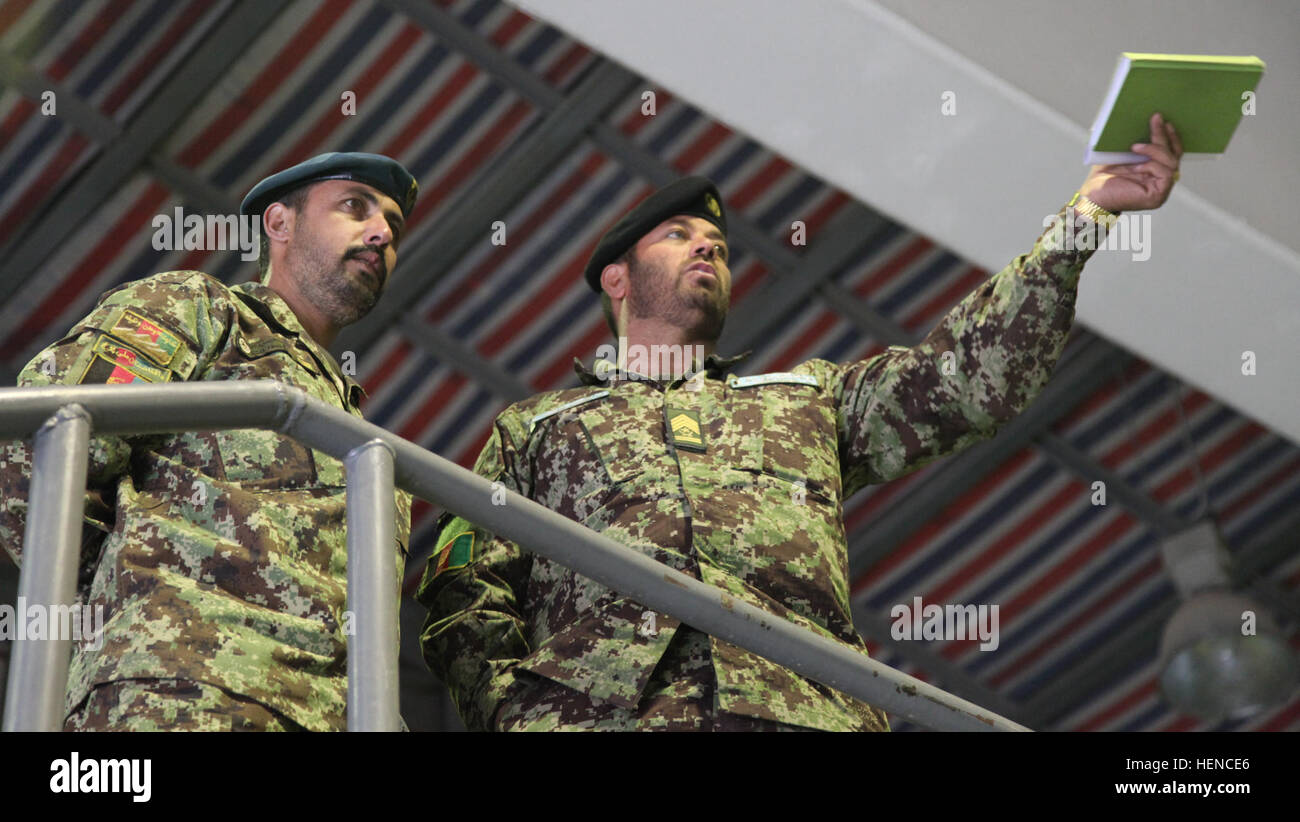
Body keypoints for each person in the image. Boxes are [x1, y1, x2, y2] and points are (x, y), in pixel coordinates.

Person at [418, 115, 1183, 731]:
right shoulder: (538, 428)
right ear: (616, 277)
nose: (709, 249)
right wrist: (526, 718)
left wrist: (1084, 220)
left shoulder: (803, 400)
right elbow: (464, 592)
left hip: (806, 713)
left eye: (717, 245)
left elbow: (963, 381)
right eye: (680, 236)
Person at [0, 152, 419, 731]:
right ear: (280, 224)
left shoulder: (367, 443)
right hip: (178, 696)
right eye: (355, 207)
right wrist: (133, 595)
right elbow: (35, 452)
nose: (381, 233)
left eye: (393, 226)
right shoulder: (203, 310)